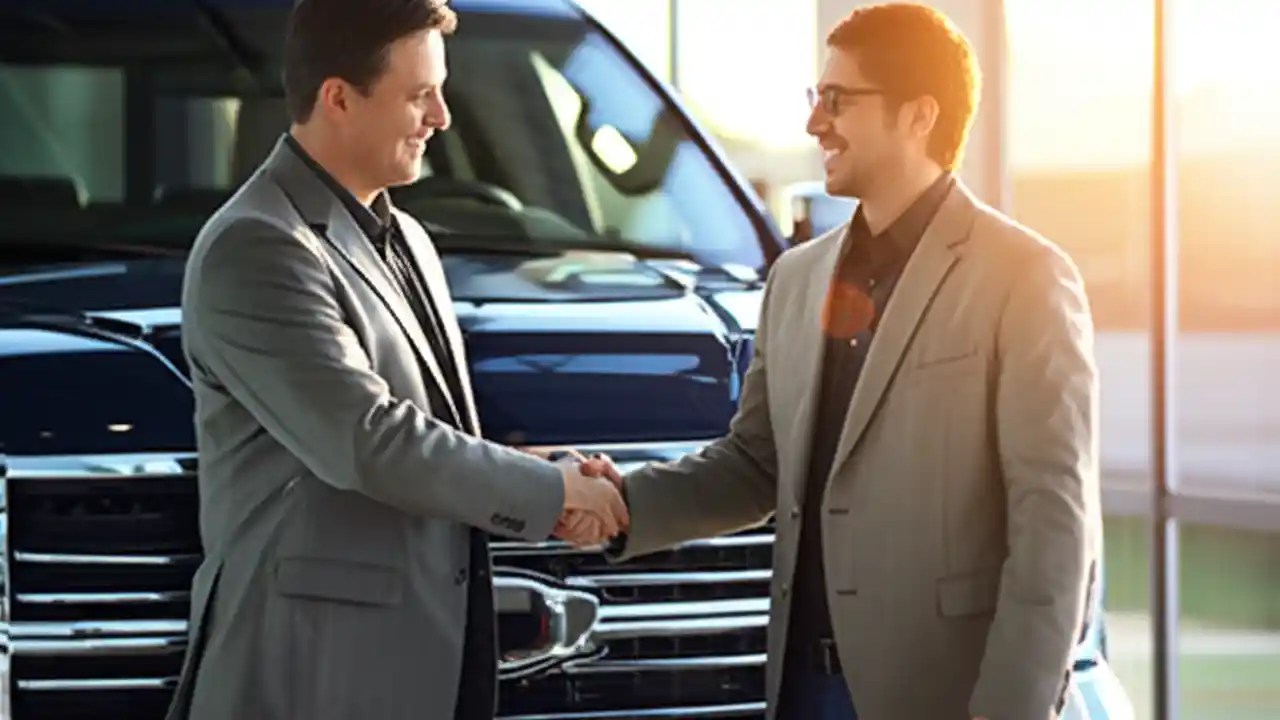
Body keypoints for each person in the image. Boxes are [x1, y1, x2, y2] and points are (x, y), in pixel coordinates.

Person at [573, 3, 1102, 719]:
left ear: (919, 117)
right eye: (815, 99)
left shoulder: (1025, 277)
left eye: (838, 100)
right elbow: (757, 462)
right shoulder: (796, 278)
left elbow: (1055, 526)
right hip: (801, 687)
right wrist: (626, 504)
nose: (814, 123)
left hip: (941, 694)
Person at [165, 1, 626, 718]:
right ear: (339, 98)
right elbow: (368, 439)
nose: (442, 116)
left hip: (418, 661)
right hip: (313, 674)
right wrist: (554, 494)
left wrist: (545, 472)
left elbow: (427, 431)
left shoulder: (407, 236)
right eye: (420, 95)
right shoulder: (257, 247)